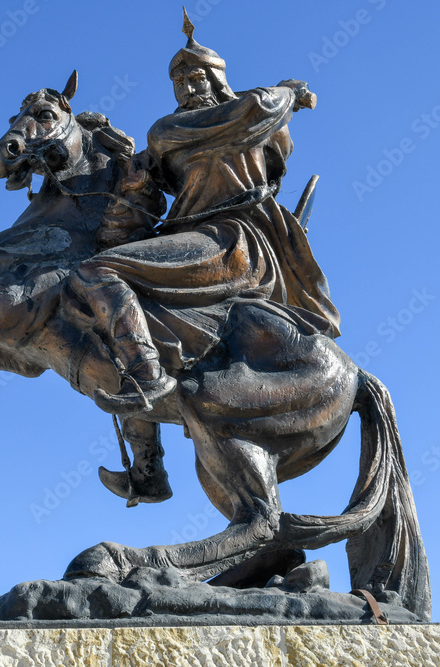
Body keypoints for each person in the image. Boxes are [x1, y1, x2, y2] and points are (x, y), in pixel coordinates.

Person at [66, 12, 340, 505]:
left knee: (96, 272)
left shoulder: (251, 113)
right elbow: (245, 120)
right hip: (191, 237)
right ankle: (148, 469)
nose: (190, 86)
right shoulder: (171, 130)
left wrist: (278, 100)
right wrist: (288, 94)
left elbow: (264, 131)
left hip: (233, 242)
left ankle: (147, 380)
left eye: (198, 76)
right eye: (180, 81)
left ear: (218, 77)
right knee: (108, 328)